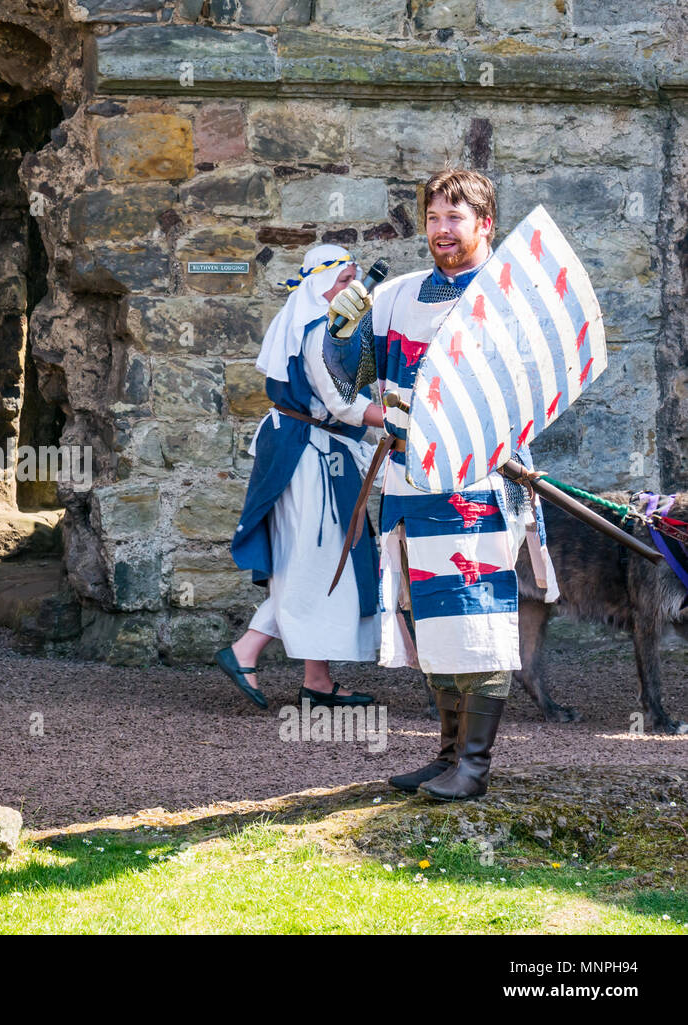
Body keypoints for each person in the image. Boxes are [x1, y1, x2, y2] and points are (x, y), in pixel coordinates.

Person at [323, 168, 558, 801]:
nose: (441, 230)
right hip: (406, 479)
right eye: (432, 217)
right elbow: (347, 376)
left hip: (480, 481)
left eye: (455, 218)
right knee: (424, 616)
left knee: (473, 617)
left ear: (485, 224)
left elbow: (529, 389)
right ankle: (449, 754)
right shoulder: (397, 296)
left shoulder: (509, 299)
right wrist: (340, 330)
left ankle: (475, 767)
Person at [221, 245, 385, 711]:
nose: (353, 289)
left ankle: (316, 680)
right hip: (307, 457)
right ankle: (246, 650)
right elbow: (345, 406)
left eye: (356, 280)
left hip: (318, 451)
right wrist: (398, 420)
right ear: (317, 289)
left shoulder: (338, 331)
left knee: (313, 559)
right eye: (342, 282)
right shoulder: (319, 335)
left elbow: (357, 396)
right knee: (313, 561)